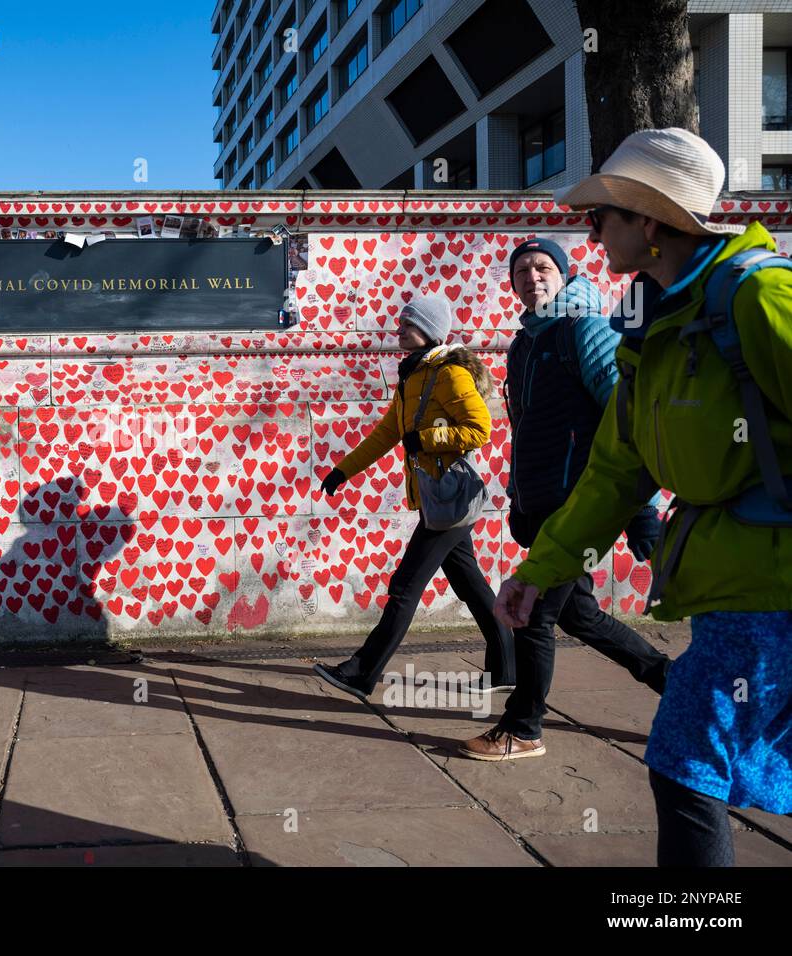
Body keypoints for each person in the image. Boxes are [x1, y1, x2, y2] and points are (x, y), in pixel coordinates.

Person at [495, 128, 792, 866]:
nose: (592, 231)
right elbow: (616, 471)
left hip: (774, 596)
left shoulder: (762, 296)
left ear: (650, 220)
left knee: (687, 760)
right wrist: (538, 570)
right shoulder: (650, 322)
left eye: (603, 215)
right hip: (727, 592)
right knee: (703, 763)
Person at [457, 238, 674, 762]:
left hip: (577, 506)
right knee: (581, 616)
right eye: (522, 270)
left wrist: (642, 509)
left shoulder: (585, 329)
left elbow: (625, 421)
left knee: (532, 615)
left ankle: (523, 727)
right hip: (541, 504)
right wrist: (518, 496)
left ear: (564, 275)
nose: (532, 277)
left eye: (543, 267)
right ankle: (676, 682)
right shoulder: (524, 344)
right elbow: (528, 431)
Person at [314, 296, 516, 699]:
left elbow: (480, 428)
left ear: (429, 330)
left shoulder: (449, 373)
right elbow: (387, 433)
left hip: (450, 500)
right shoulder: (413, 376)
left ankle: (362, 671)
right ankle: (506, 668)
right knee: (471, 585)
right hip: (436, 499)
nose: (399, 330)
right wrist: (343, 471)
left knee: (405, 587)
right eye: (401, 323)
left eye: (408, 324)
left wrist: (425, 438)